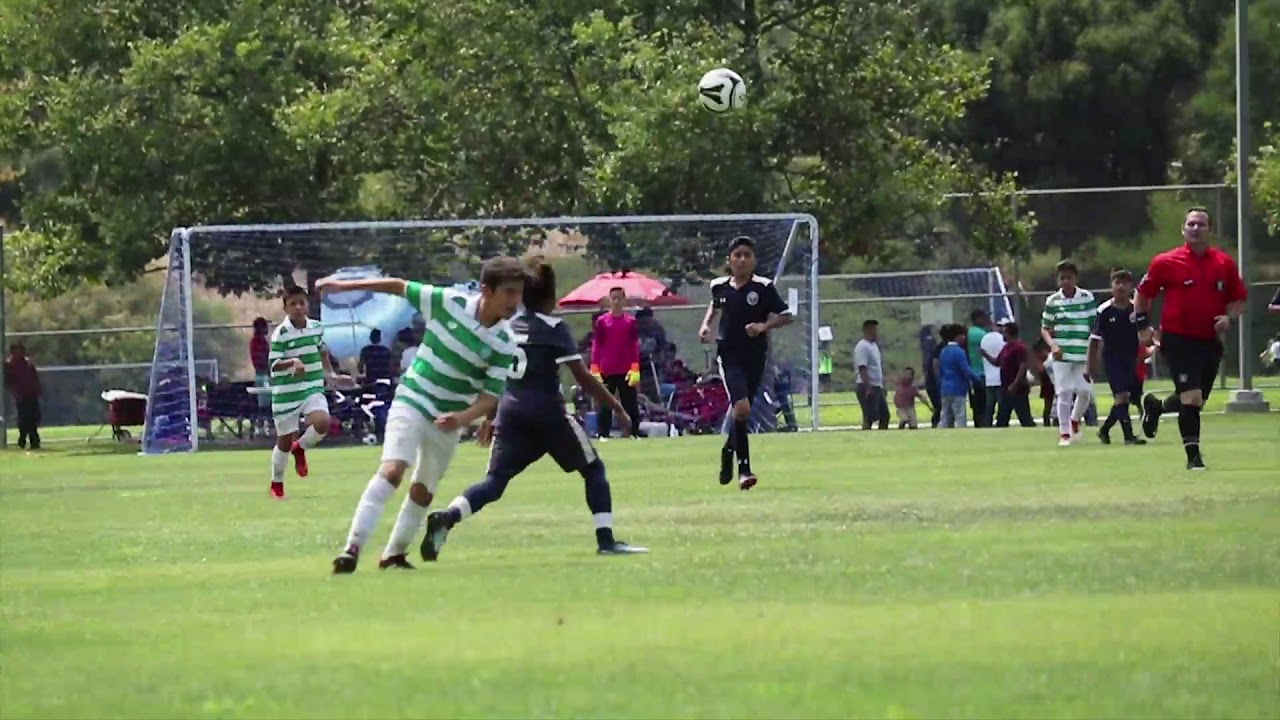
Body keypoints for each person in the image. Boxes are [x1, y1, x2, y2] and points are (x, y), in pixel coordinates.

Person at [422, 258, 647, 560]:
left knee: (494, 482)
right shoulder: (554, 328)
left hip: (511, 414)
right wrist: (618, 406)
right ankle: (606, 540)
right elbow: (583, 377)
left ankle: (449, 516)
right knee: (593, 469)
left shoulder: (506, 328)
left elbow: (496, 377)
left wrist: (491, 417)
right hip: (548, 414)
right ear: (549, 296)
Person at [323, 257, 525, 574]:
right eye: (509, 293)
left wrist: (463, 418)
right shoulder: (448, 302)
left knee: (424, 489)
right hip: (414, 399)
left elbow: (490, 396)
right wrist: (345, 286)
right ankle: (352, 548)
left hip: (450, 418)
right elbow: (399, 286)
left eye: (519, 294)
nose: (515, 301)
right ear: (486, 290)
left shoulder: (504, 341)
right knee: (392, 471)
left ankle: (393, 554)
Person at [1136, 207, 1247, 470]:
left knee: (1196, 399)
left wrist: (1229, 318)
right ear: (1183, 229)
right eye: (1191, 224)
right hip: (1177, 339)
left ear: (1209, 230)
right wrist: (1142, 326)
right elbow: (1143, 294)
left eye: (1201, 224)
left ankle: (1157, 407)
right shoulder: (1166, 262)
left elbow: (1240, 299)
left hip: (1209, 340)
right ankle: (1193, 458)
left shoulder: (1224, 263)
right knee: (1192, 398)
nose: (1195, 228)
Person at [698, 236, 792, 490]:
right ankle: (745, 470)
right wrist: (706, 325)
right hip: (729, 355)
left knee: (744, 410)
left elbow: (786, 316)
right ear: (729, 260)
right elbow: (714, 307)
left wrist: (764, 326)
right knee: (741, 408)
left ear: (754, 260)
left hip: (755, 357)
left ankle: (728, 451)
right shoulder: (719, 286)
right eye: (737, 255)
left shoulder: (763, 287)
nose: (741, 259)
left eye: (746, 255)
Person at [267, 288, 341, 498]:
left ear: (307, 305)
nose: (298, 307)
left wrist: (330, 374)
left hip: (311, 385)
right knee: (283, 441)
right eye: (293, 304)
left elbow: (322, 350)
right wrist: (292, 362)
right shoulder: (281, 334)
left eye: (302, 303)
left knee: (323, 422)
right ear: (286, 308)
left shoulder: (316, 327)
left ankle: (300, 448)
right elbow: (273, 365)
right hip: (286, 392)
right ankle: (277, 483)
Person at [1087, 268, 1147, 446]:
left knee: (1125, 398)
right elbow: (1094, 341)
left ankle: (1104, 430)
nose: (1120, 286)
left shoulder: (1135, 309)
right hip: (1112, 359)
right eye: (1117, 282)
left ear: (1131, 287)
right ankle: (1128, 436)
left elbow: (1143, 333)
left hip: (1130, 358)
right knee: (1121, 396)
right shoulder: (1104, 311)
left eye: (1125, 283)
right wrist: (1090, 365)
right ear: (1111, 286)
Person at [1041, 260, 1096, 447]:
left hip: (1083, 352)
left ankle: (1075, 420)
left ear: (1075, 278)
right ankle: (1064, 433)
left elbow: (1094, 326)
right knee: (1064, 393)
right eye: (1062, 278)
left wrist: (1094, 352)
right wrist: (1053, 346)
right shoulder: (1053, 301)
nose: (1065, 281)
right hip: (1062, 354)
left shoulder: (1086, 298)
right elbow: (1045, 328)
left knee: (1085, 392)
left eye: (1069, 278)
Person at [590, 287, 642, 439]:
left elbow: (634, 345)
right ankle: (603, 433)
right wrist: (595, 366)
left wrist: (635, 366)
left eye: (620, 298)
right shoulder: (602, 322)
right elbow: (597, 344)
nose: (617, 301)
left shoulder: (630, 322)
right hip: (607, 368)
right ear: (609, 300)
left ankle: (634, 432)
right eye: (614, 298)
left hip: (626, 369)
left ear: (624, 300)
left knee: (630, 402)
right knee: (605, 402)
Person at [938, 324, 982, 428]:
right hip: (957, 388)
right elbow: (966, 370)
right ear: (957, 336)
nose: (964, 338)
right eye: (962, 335)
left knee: (945, 415)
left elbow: (941, 371)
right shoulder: (959, 352)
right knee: (960, 414)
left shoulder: (943, 351)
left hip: (945, 388)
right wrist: (977, 380)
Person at [995, 322, 1036, 428]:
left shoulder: (1019, 348)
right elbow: (997, 362)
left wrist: (1015, 384)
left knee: (1024, 416)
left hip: (1018, 388)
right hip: (1005, 387)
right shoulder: (1006, 348)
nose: (1002, 335)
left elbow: (1023, 366)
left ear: (1010, 333)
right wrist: (984, 354)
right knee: (1002, 417)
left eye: (1004, 332)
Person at [4, 342, 41, 450]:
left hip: (32, 395)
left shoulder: (28, 363)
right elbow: (9, 381)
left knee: (33, 419)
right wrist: (15, 392)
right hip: (21, 396)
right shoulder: (10, 365)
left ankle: (33, 442)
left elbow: (34, 378)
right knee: (24, 419)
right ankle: (23, 440)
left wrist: (37, 390)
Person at [854, 319, 888, 430]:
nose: (877, 332)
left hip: (877, 386)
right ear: (868, 330)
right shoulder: (862, 346)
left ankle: (881, 436)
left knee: (884, 415)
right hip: (868, 386)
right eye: (875, 329)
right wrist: (868, 387)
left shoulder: (874, 346)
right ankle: (866, 435)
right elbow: (862, 368)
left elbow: (876, 367)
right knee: (869, 417)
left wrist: (882, 385)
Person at [979, 319, 1007, 427]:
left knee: (990, 405)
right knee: (1001, 404)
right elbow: (998, 362)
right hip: (1000, 379)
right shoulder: (1002, 340)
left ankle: (987, 424)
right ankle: (1000, 423)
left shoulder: (985, 339)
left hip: (989, 379)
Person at [966, 310, 990, 426]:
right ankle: (982, 422)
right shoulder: (981, 334)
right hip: (981, 371)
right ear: (977, 319)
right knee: (983, 400)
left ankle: (978, 421)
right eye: (984, 317)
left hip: (973, 370)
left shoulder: (969, 332)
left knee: (976, 401)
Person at [250, 317, 271, 430]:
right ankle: (262, 426)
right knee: (264, 404)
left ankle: (268, 424)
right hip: (262, 375)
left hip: (266, 374)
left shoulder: (263, 341)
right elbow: (260, 360)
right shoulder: (256, 342)